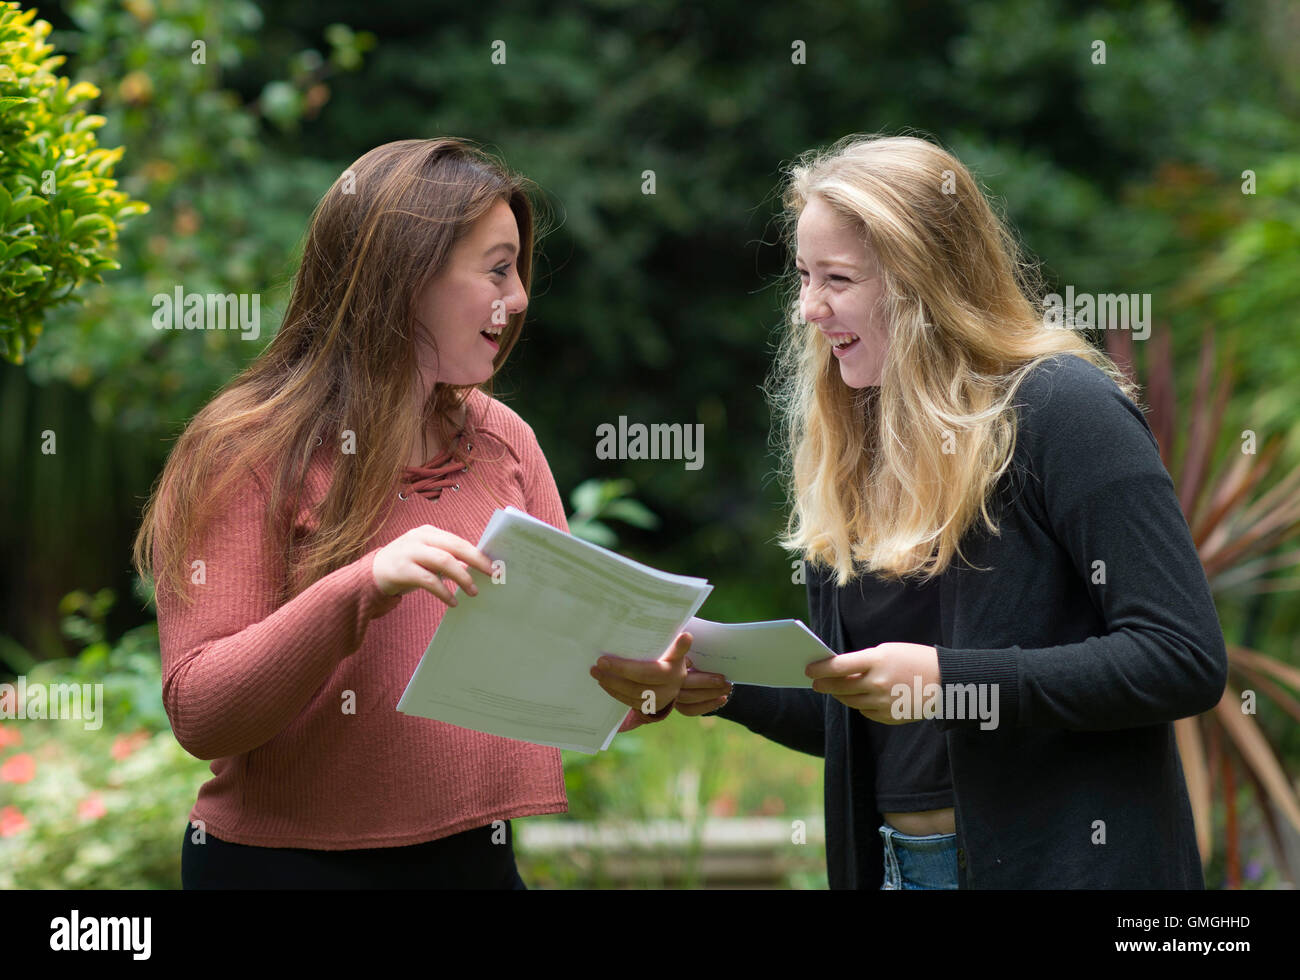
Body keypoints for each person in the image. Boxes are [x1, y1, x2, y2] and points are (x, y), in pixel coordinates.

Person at [600, 133, 1227, 889]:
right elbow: (864, 716)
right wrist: (721, 686)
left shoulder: (1064, 408)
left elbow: (1182, 658)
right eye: (803, 275)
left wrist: (949, 681)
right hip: (900, 869)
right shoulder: (855, 436)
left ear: (923, 279)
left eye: (837, 278)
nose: (808, 308)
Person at [133, 137, 686, 888]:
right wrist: (361, 586)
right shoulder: (246, 450)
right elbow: (201, 714)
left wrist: (647, 689)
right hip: (284, 870)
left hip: (473, 861)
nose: (520, 295)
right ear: (406, 277)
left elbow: (552, 677)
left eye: (518, 269)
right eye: (497, 269)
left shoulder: (504, 442)